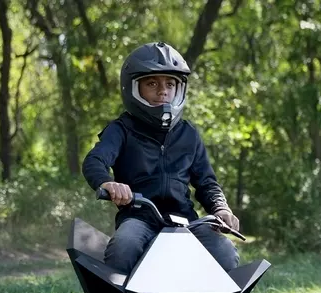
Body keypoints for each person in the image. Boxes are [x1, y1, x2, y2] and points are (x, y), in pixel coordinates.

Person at [82, 41, 240, 280]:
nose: (163, 90)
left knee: (226, 254)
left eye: (170, 83)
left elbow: (207, 183)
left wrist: (221, 208)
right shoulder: (121, 130)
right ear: (133, 87)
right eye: (152, 83)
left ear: (180, 88)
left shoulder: (189, 134)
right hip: (139, 217)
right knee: (122, 249)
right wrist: (107, 183)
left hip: (186, 222)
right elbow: (94, 160)